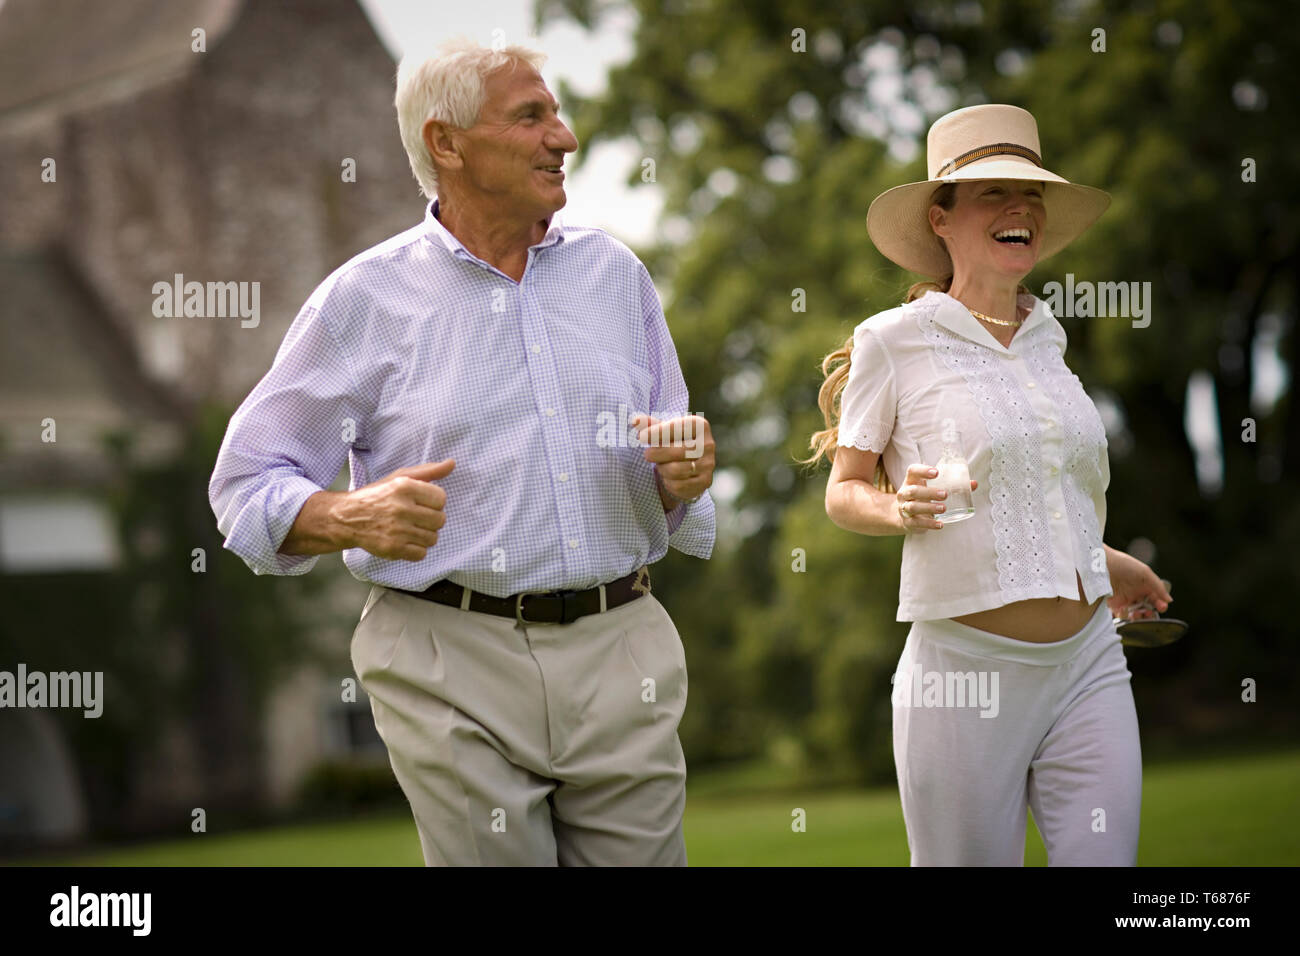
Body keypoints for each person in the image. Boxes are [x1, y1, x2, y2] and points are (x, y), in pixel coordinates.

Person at [208, 38, 716, 866]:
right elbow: (245, 482)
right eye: (531, 116)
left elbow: (672, 476)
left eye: (556, 113)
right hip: (445, 656)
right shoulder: (362, 300)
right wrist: (350, 516)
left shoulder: (616, 277)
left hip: (622, 645)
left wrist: (682, 476)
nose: (566, 137)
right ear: (446, 143)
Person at [806, 104, 1172, 866]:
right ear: (940, 218)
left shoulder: (1050, 338)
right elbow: (844, 493)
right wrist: (897, 507)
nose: (1021, 209)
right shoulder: (892, 341)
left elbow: (1037, 500)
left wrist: (1109, 562)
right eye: (994, 193)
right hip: (963, 677)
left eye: (1033, 194)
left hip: (1090, 662)